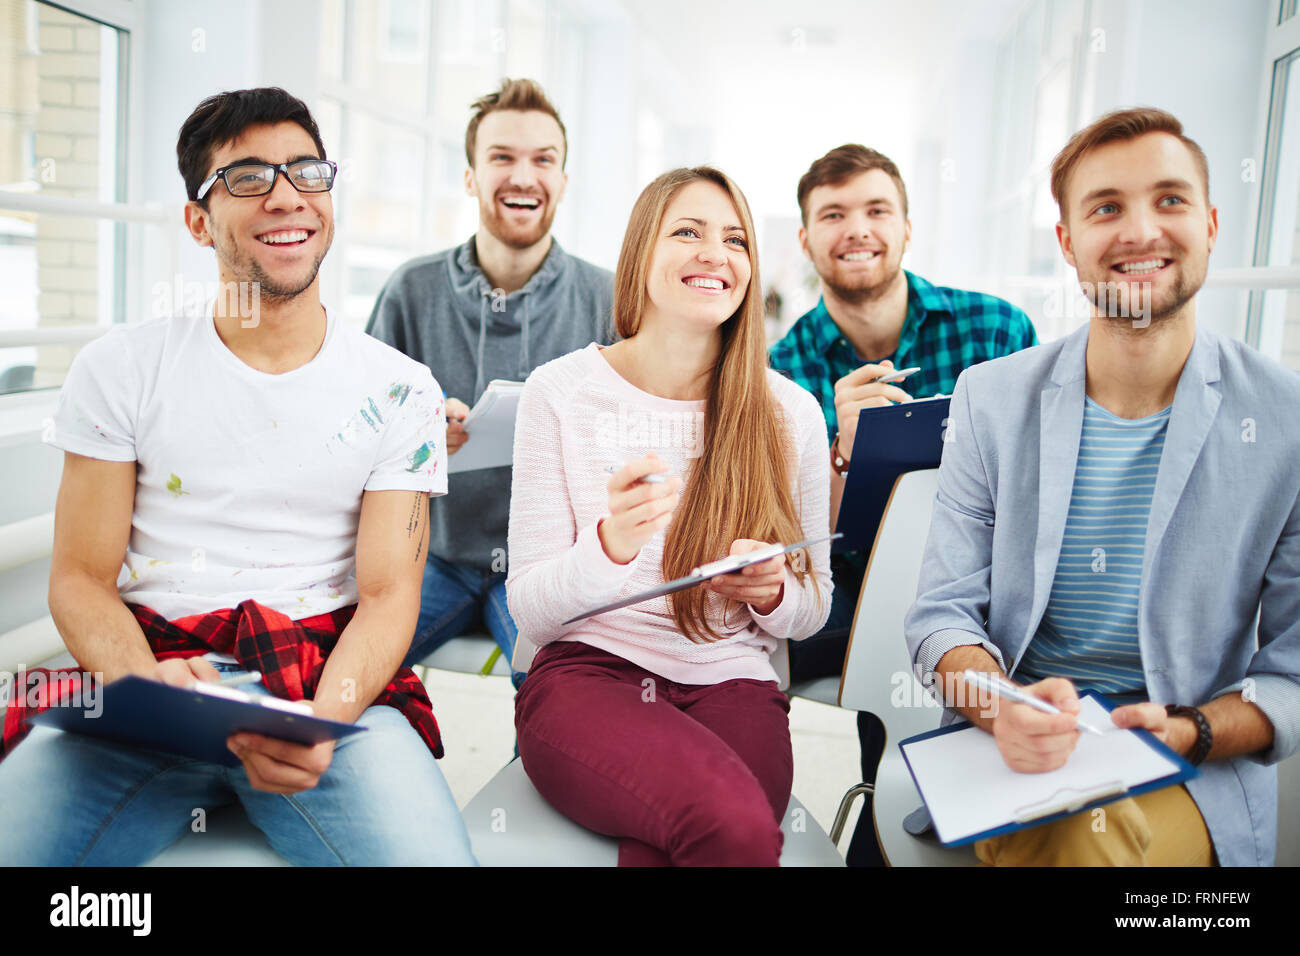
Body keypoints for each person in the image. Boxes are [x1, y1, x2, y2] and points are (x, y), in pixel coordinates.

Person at [0, 88, 475, 866]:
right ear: (198, 220)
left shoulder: (402, 391)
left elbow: (391, 594)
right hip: (151, 673)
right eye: (247, 177)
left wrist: (322, 725)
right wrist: (148, 692)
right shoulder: (121, 368)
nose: (286, 194)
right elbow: (81, 577)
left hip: (319, 680)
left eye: (306, 172)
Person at [905, 107, 1300, 866]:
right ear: (1067, 242)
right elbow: (939, 618)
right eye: (1106, 208)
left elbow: (1292, 673)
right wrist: (1002, 707)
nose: (1140, 231)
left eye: (1170, 200)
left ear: (1212, 224)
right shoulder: (991, 398)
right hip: (1014, 744)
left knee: (1087, 842)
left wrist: (1190, 731)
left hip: (1190, 761)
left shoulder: (1282, 421)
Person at [505, 167, 832, 866]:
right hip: (587, 675)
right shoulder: (559, 393)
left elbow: (812, 610)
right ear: (640, 255)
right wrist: (608, 547)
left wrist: (773, 591)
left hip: (733, 682)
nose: (716, 253)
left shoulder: (791, 414)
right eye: (688, 232)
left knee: (709, 832)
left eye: (736, 239)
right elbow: (529, 608)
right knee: (736, 830)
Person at [768, 144, 1038, 863]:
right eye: (833, 214)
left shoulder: (1000, 331)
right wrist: (841, 451)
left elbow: (1041, 478)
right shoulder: (780, 372)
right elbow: (795, 541)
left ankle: (936, 814)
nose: (856, 228)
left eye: (876, 210)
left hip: (984, 569)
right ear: (804, 240)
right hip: (851, 581)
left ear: (908, 227)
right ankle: (892, 817)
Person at [366, 78, 614, 686]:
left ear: (563, 179)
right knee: (340, 661)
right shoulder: (411, 290)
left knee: (562, 691)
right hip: (429, 557)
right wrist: (415, 436)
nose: (524, 177)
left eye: (543, 160)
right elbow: (355, 429)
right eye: (502, 157)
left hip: (546, 566)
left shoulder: (608, 299)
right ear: (472, 176)